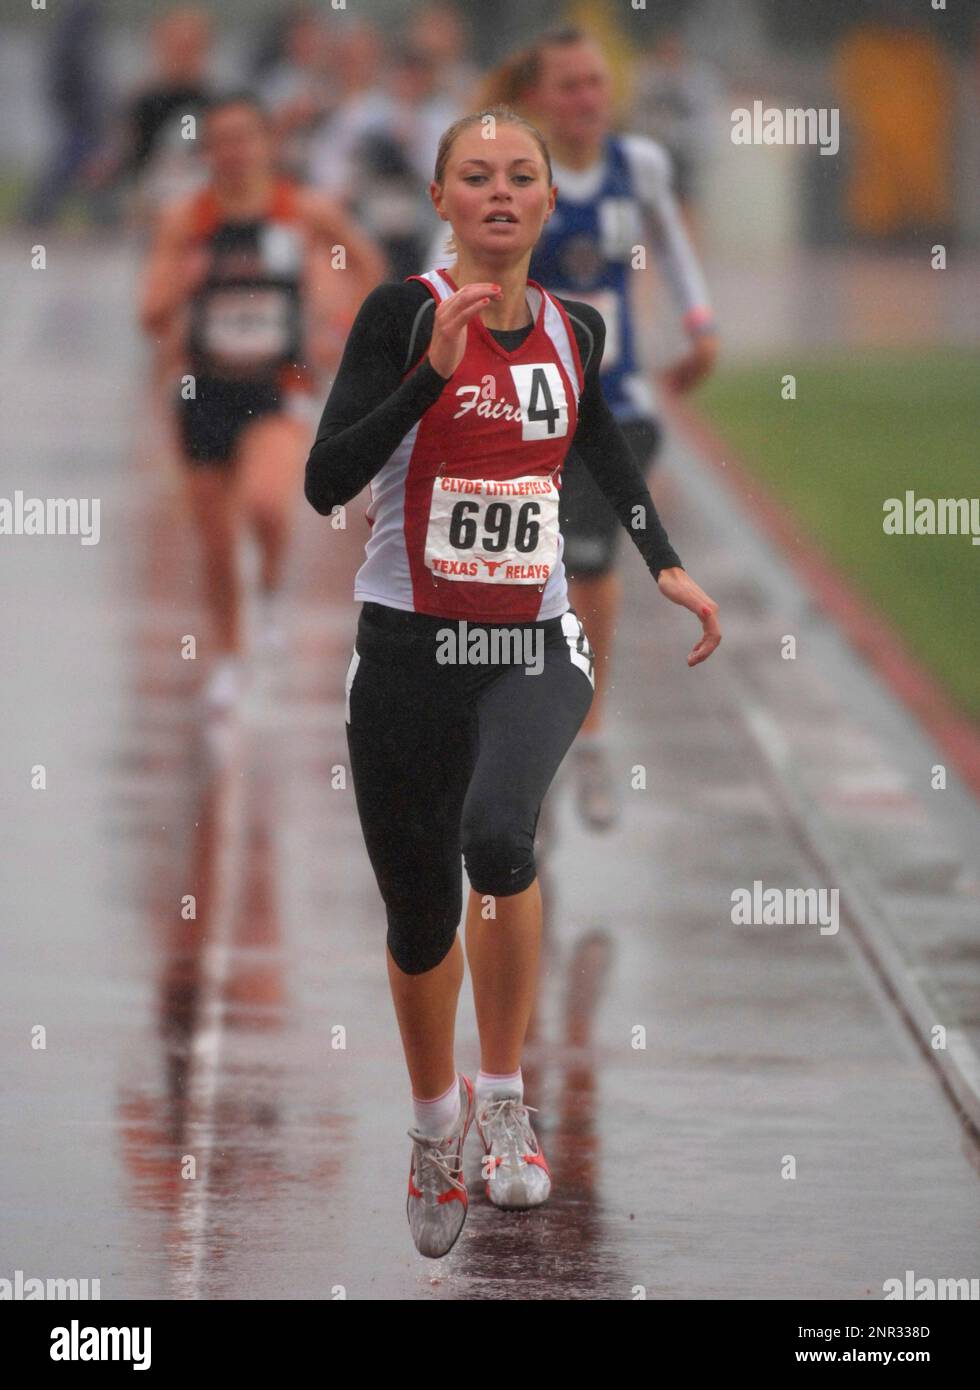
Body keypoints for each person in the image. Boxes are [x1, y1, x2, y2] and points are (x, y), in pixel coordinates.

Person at [304, 106, 721, 1259]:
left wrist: (669, 567)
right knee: (417, 913)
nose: (499, 191)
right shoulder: (400, 315)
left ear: (547, 203)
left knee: (499, 834)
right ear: (440, 199)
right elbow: (323, 479)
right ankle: (433, 1123)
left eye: (519, 176)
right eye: (474, 175)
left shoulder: (573, 328)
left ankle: (503, 1099)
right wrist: (426, 384)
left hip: (527, 645)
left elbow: (599, 446)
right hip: (402, 652)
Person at [459, 29, 719, 830]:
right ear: (538, 98)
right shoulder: (518, 173)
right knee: (517, 562)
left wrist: (699, 325)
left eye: (597, 84)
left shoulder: (636, 166)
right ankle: (513, 720)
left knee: (587, 554)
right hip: (530, 403)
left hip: (619, 404)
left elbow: (672, 244)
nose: (588, 100)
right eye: (570, 86)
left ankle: (594, 729)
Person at [139, 93, 386, 712]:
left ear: (267, 143)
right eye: (221, 140)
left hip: (279, 382)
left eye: (246, 137)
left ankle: (271, 594)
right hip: (203, 387)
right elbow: (150, 314)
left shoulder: (301, 211)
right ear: (209, 151)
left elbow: (368, 266)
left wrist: (343, 329)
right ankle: (228, 656)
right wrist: (183, 284)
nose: (235, 151)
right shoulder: (187, 220)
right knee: (216, 541)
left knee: (268, 505)